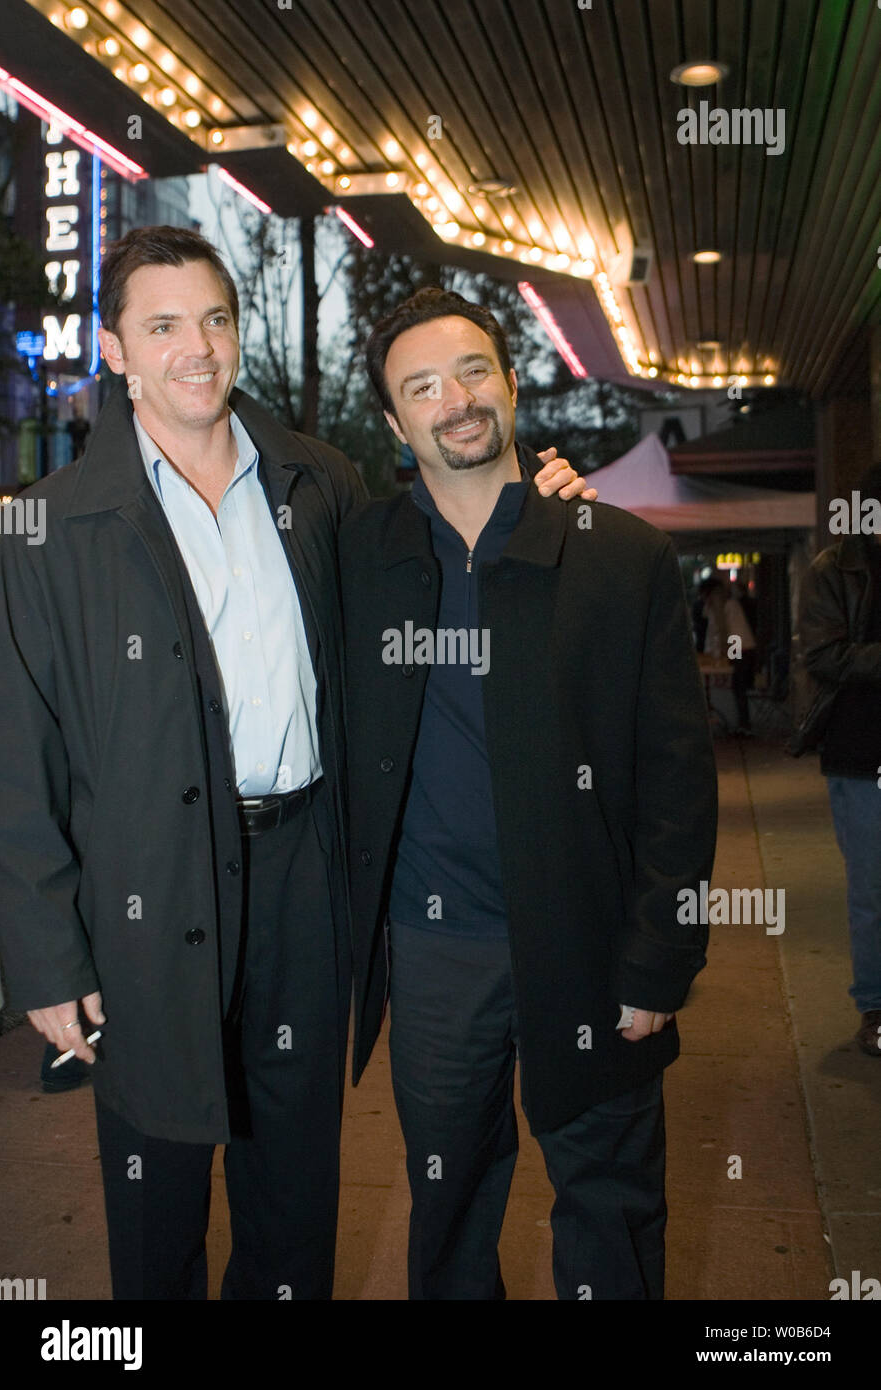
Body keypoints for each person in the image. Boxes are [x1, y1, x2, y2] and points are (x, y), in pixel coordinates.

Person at [0, 226, 591, 1300]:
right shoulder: (47, 529)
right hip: (147, 895)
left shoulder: (320, 481)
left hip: (305, 880)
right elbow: (13, 760)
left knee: (293, 1197)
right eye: (162, 324)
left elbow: (432, 569)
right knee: (157, 1194)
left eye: (215, 319)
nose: (196, 346)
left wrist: (529, 507)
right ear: (116, 349)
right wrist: (44, 958)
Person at [339, 288, 718, 1300]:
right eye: (419, 387)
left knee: (610, 1202)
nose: (452, 400)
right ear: (392, 422)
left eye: (470, 372)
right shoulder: (355, 561)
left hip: (590, 944)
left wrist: (659, 955)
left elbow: (677, 781)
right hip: (432, 956)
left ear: (509, 383)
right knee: (448, 1201)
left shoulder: (619, 555)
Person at [789, 463, 881, 1057]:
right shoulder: (836, 569)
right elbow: (823, 656)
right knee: (873, 887)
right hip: (861, 751)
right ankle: (874, 1006)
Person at [700, 575, 757, 734]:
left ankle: (743, 724)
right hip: (741, 647)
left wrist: (730, 655)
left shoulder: (726, 605)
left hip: (741, 648)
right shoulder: (724, 603)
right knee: (737, 687)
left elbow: (733, 634)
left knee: (738, 687)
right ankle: (740, 723)